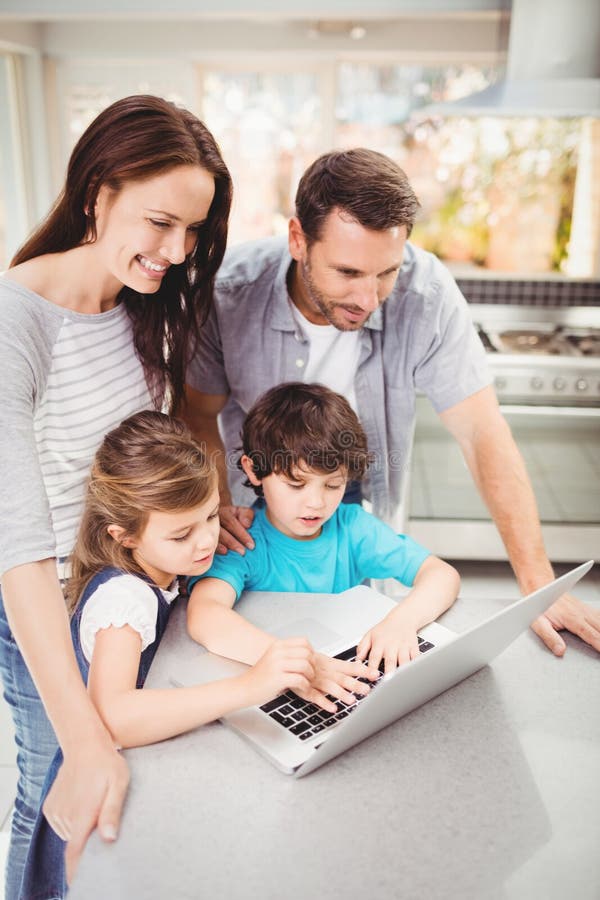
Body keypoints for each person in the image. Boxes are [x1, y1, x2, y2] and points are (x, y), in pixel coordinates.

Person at [182, 147, 600, 659]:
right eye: (348, 272)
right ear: (298, 240)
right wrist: (217, 506)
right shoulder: (230, 291)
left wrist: (538, 583)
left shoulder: (425, 296)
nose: (369, 297)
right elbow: (198, 413)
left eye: (387, 273)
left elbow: (482, 433)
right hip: (256, 511)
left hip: (362, 495)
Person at [0, 93, 233, 895]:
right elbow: (18, 543)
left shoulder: (143, 303)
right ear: (98, 192)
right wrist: (81, 729)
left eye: (193, 231)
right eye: (160, 222)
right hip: (42, 595)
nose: (177, 250)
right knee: (58, 778)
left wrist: (208, 513)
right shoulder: (14, 323)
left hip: (122, 582)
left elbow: (150, 450)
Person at [20, 410, 315, 899]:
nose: (205, 541)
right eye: (181, 535)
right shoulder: (125, 599)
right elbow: (114, 715)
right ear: (124, 535)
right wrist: (249, 686)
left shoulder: (159, 567)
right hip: (94, 807)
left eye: (208, 516)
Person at [187, 383, 460, 707]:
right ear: (254, 470)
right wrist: (298, 665)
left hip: (343, 674)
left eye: (333, 484)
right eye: (296, 484)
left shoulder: (352, 527)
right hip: (272, 684)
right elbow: (204, 616)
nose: (315, 503)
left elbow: (441, 575)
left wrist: (402, 622)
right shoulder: (244, 541)